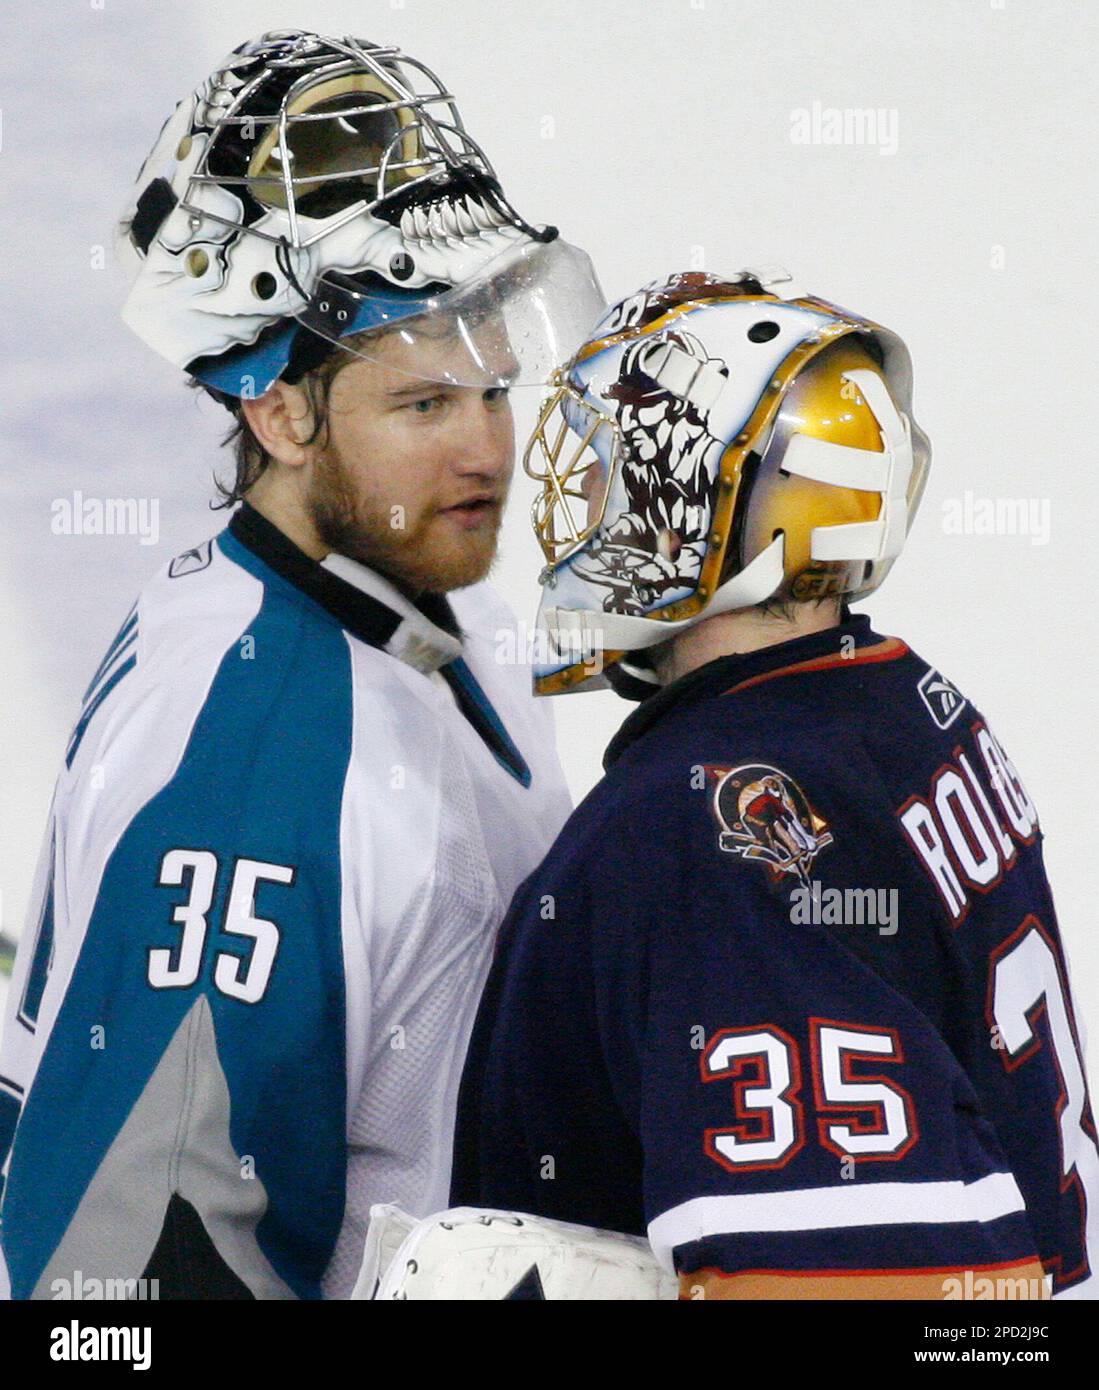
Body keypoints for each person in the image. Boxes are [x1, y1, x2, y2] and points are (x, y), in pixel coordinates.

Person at [0, 29, 602, 1300]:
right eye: (423, 405)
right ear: (279, 410)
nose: (486, 448)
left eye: (493, 385)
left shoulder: (411, 608)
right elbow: (118, 1306)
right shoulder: (259, 777)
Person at [449, 269, 1099, 1299]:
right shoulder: (908, 706)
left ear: (696, 516)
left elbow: (906, 1294)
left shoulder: (693, 835)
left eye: (614, 471)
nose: (579, 504)